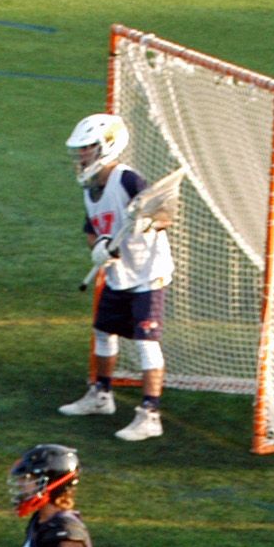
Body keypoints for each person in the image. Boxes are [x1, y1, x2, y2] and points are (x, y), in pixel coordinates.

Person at [58, 112, 173, 442]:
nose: (82, 156)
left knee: (146, 342)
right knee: (103, 331)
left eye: (88, 148)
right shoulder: (90, 186)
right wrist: (100, 247)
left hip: (148, 274)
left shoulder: (127, 179)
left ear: (107, 146)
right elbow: (92, 229)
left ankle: (151, 415)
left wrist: (146, 221)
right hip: (119, 274)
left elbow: (164, 215)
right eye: (80, 150)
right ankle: (101, 396)